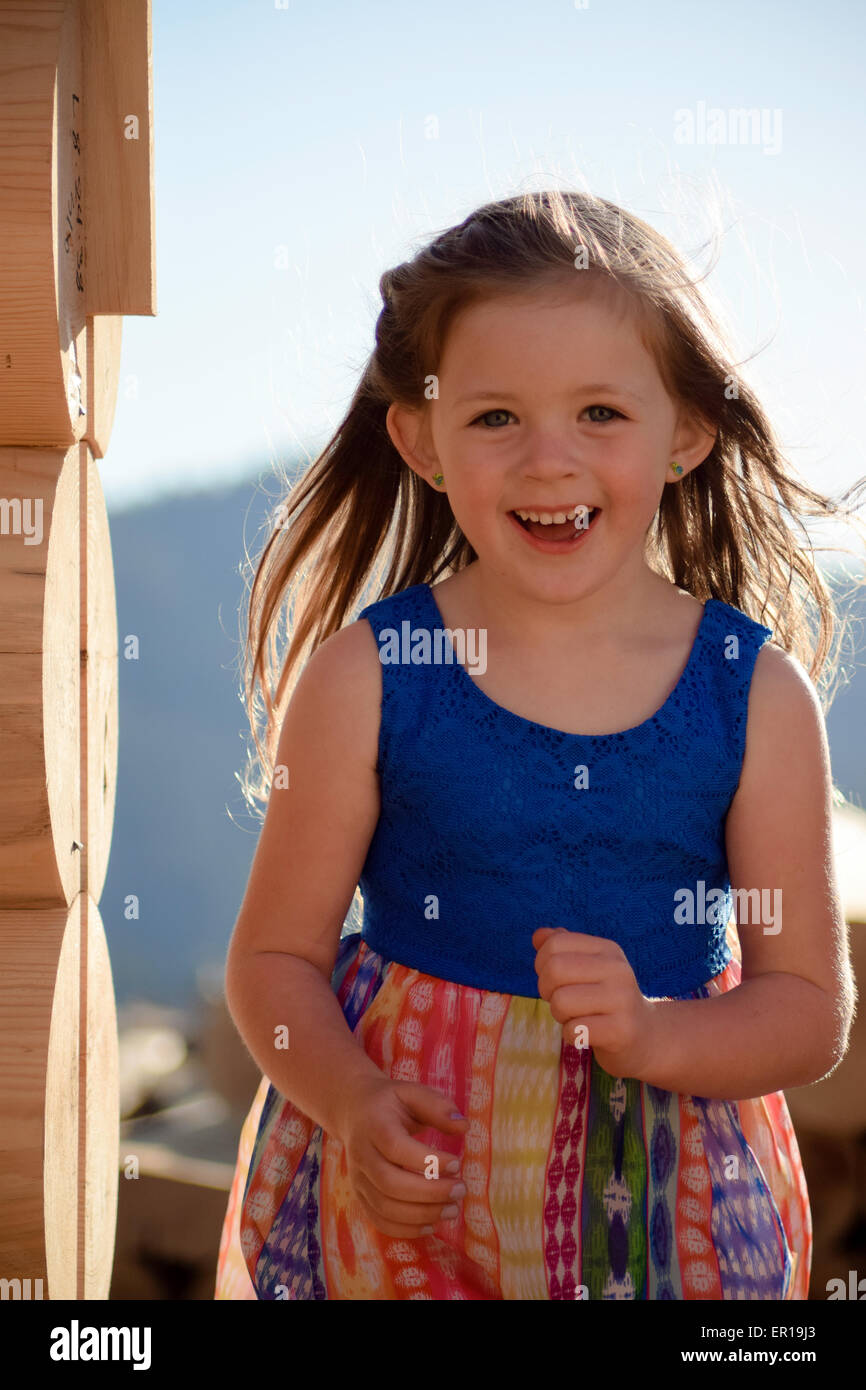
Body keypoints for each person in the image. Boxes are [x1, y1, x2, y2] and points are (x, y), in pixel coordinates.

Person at [214, 189, 865, 1300]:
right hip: (407, 1207)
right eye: (495, 418)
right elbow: (271, 965)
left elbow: (806, 1009)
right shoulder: (367, 678)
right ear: (420, 439)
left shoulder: (752, 696)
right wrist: (349, 1101)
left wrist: (656, 1036)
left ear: (688, 432)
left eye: (600, 413)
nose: (546, 462)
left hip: (664, 1210)